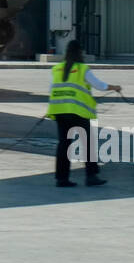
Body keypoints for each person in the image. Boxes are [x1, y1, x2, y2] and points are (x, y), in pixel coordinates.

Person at [45, 40, 123, 188]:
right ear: (79, 52)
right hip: (77, 113)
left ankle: (62, 179)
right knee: (87, 144)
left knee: (64, 145)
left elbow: (51, 90)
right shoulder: (82, 69)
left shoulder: (57, 69)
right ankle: (91, 176)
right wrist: (115, 87)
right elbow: (99, 85)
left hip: (60, 112)